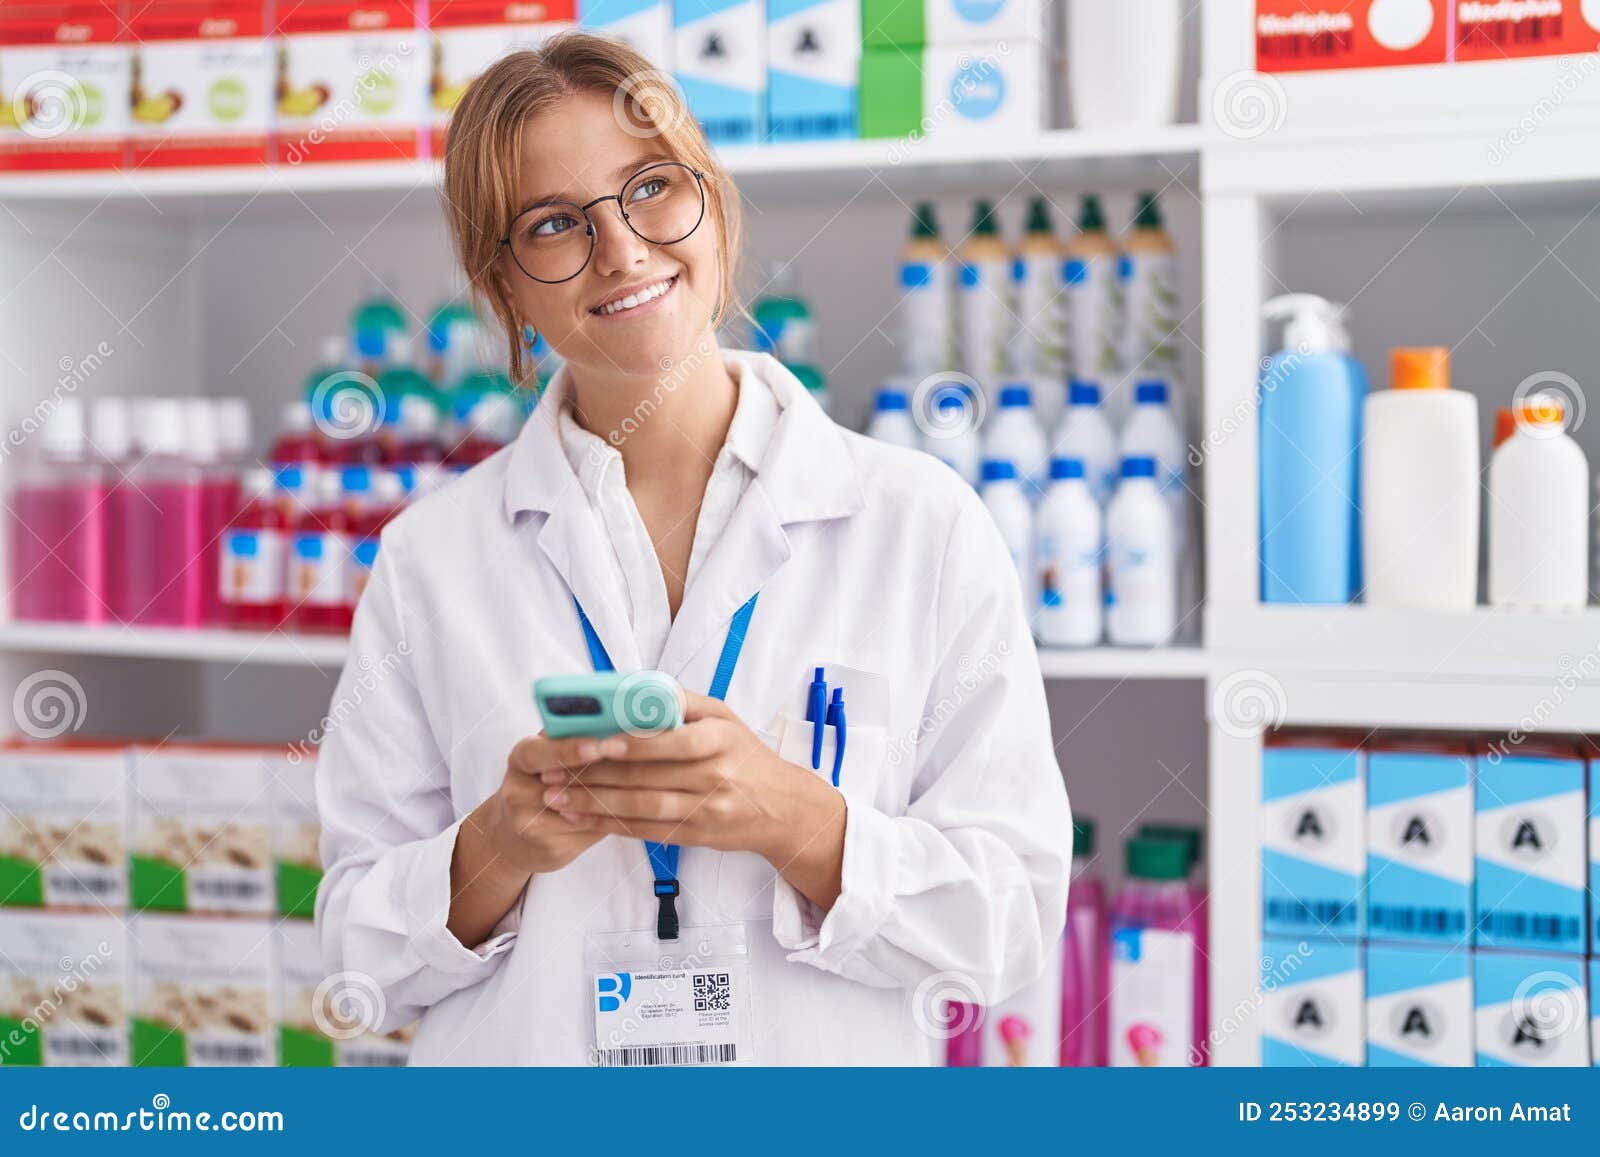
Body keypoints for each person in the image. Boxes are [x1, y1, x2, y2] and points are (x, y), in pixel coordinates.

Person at [315, 31, 1071, 1066]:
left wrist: (797, 820)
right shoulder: (430, 558)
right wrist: (497, 846)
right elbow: (356, 959)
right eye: (553, 224)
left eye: (652, 188)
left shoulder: (919, 523)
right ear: (503, 288)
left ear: (713, 199)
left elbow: (1012, 925)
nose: (622, 249)